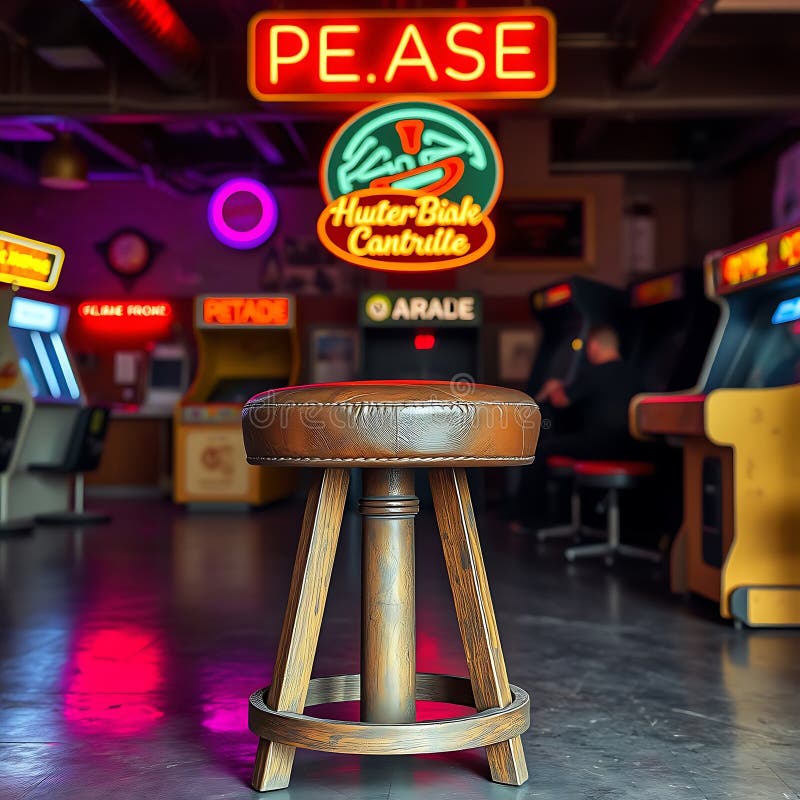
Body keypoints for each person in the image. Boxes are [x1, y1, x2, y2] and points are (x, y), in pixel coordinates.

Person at [509, 324, 643, 532]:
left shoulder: (593, 372)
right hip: (631, 447)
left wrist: (553, 387)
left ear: (595, 345)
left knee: (540, 450)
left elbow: (561, 400)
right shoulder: (635, 373)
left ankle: (527, 519)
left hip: (597, 447)